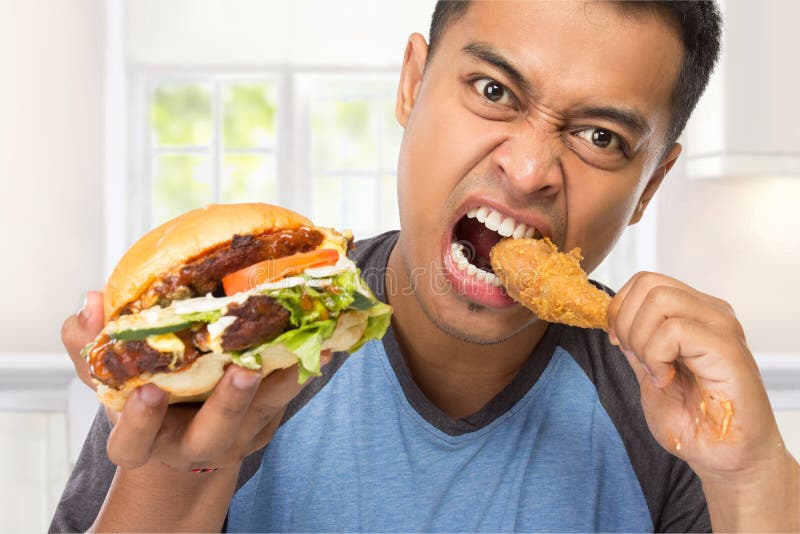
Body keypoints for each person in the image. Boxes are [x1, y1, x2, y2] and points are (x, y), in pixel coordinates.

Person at [52, 1, 799, 532]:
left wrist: (755, 480)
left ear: (651, 187)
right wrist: (177, 478)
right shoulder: (229, 340)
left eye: (601, 137)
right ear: (412, 83)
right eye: (494, 91)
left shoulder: (671, 412)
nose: (531, 166)